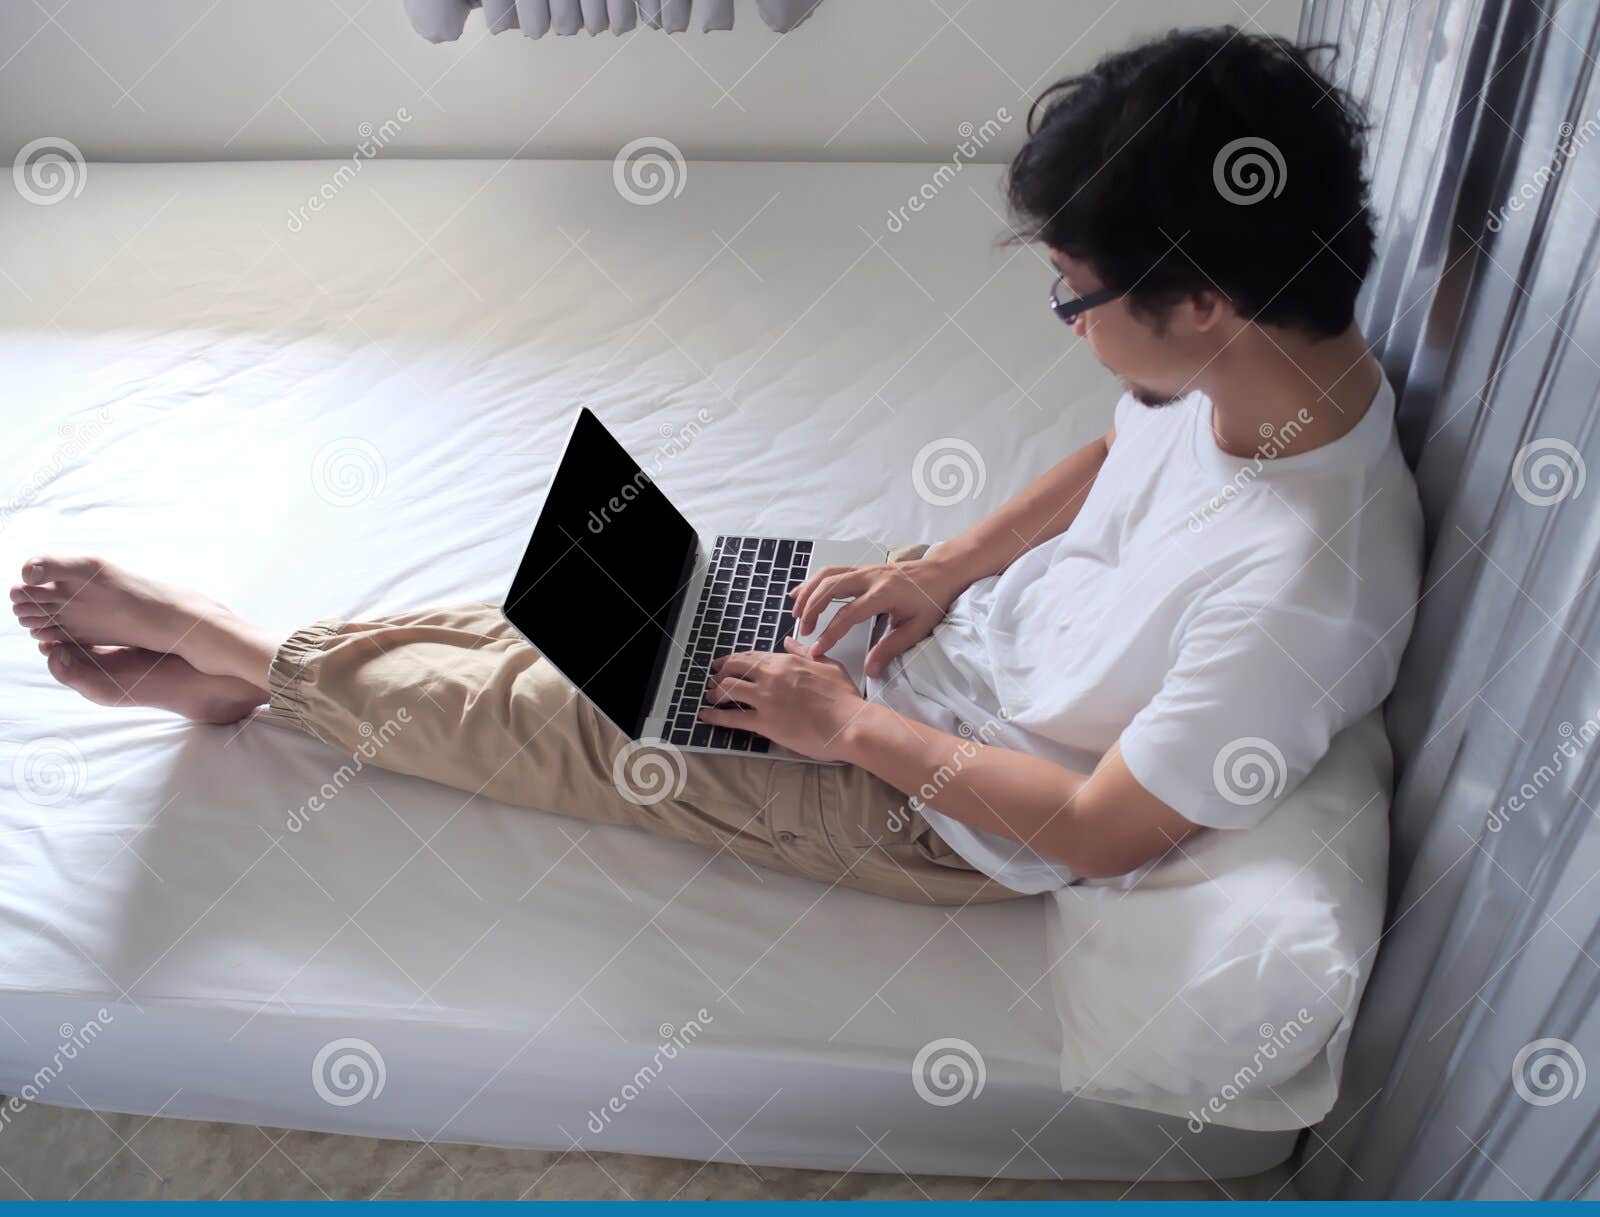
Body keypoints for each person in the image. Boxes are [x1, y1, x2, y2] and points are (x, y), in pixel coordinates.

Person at [10, 25, 1422, 906]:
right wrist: (942, 570)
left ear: (1201, 304)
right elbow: (1119, 448)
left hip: (948, 803)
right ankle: (268, 674)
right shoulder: (1254, 370)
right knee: (606, 609)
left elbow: (1106, 835)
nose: (1067, 326)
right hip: (941, 664)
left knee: (575, 725)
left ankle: (227, 648)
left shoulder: (1306, 586)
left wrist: (849, 731)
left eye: (1073, 292)